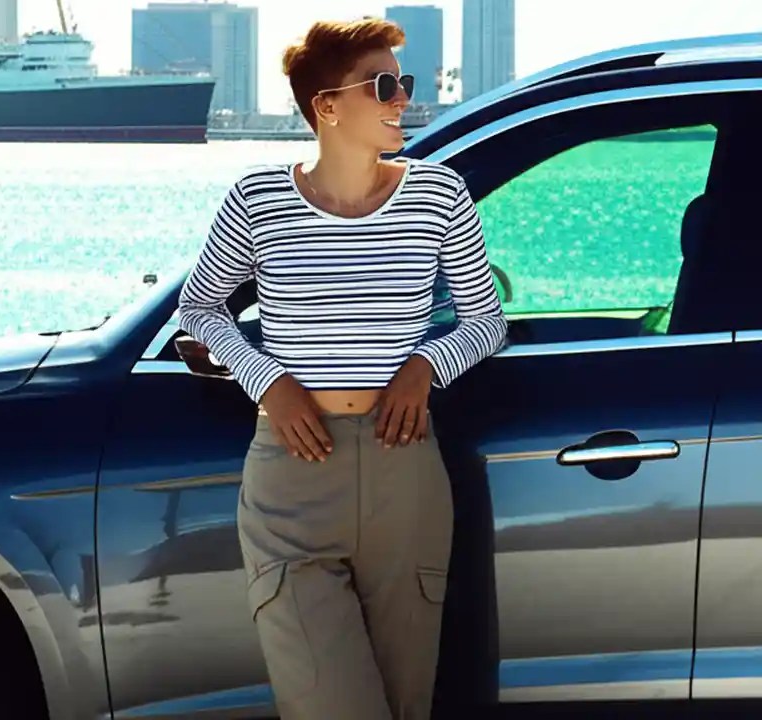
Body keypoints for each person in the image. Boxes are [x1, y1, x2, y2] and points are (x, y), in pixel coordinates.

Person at [175, 17, 508, 720]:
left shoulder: (439, 196)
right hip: (291, 479)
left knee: (402, 704)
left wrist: (424, 365)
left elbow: (486, 320)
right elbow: (200, 310)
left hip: (404, 473)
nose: (401, 101)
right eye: (383, 86)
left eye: (403, 84)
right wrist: (269, 379)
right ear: (326, 106)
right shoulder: (258, 200)